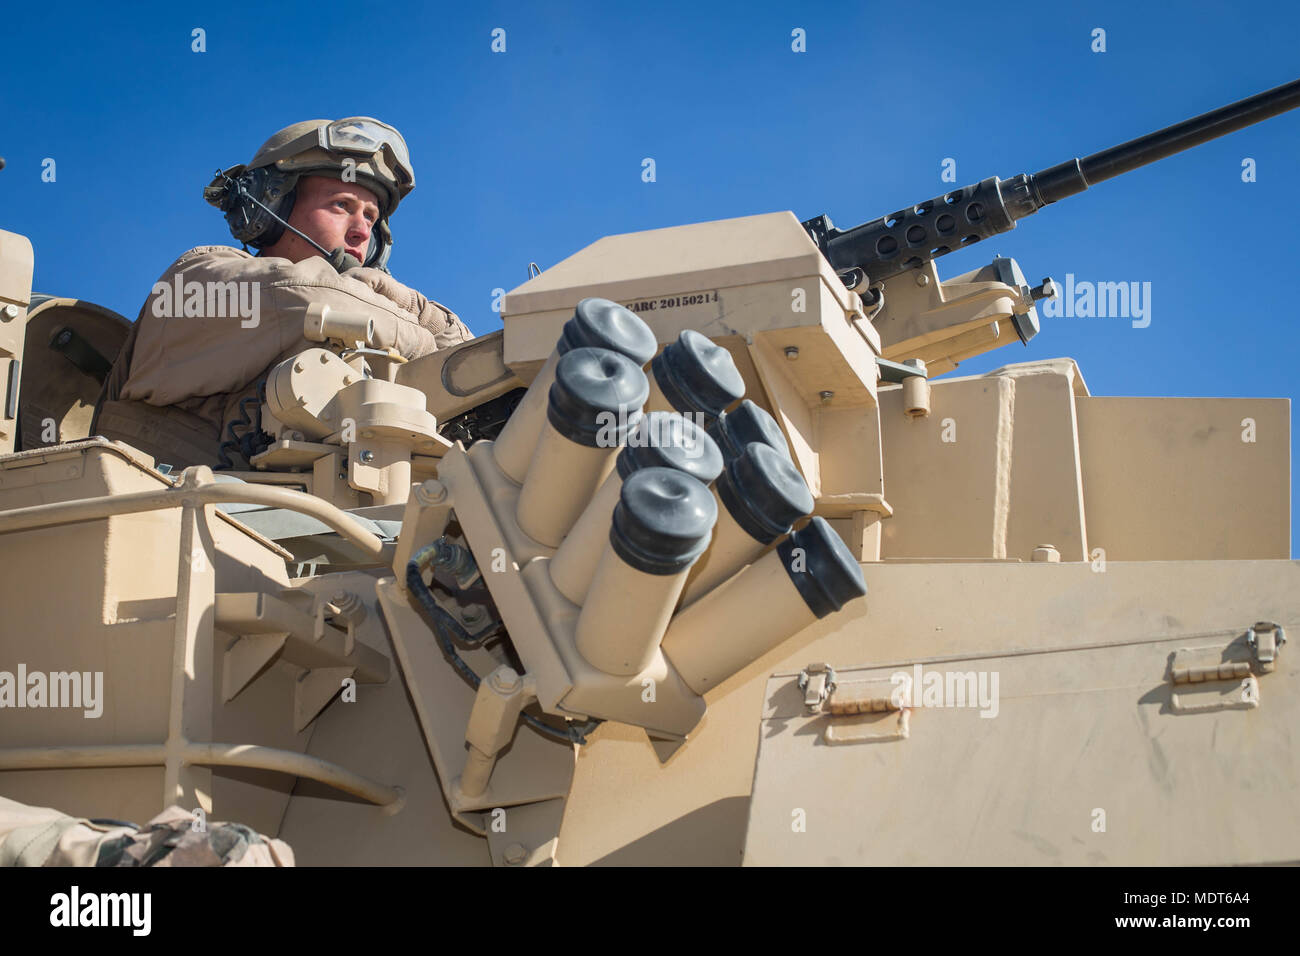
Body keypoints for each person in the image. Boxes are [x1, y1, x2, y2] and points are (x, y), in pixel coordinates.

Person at [93, 117, 473, 468]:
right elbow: (309, 298)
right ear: (271, 204)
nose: (361, 231)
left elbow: (477, 363)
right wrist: (427, 339)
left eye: (371, 218)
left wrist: (411, 306)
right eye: (342, 206)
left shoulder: (370, 323)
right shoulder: (199, 277)